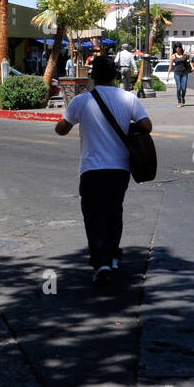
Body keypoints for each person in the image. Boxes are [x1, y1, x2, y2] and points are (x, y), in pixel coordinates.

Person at [54, 54, 153, 285]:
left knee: (94, 216)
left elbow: (61, 130)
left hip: (92, 170)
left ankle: (102, 263)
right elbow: (147, 126)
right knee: (114, 212)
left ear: (92, 76)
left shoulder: (81, 101)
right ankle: (113, 255)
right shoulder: (128, 98)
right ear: (116, 75)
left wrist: (67, 120)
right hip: (120, 169)